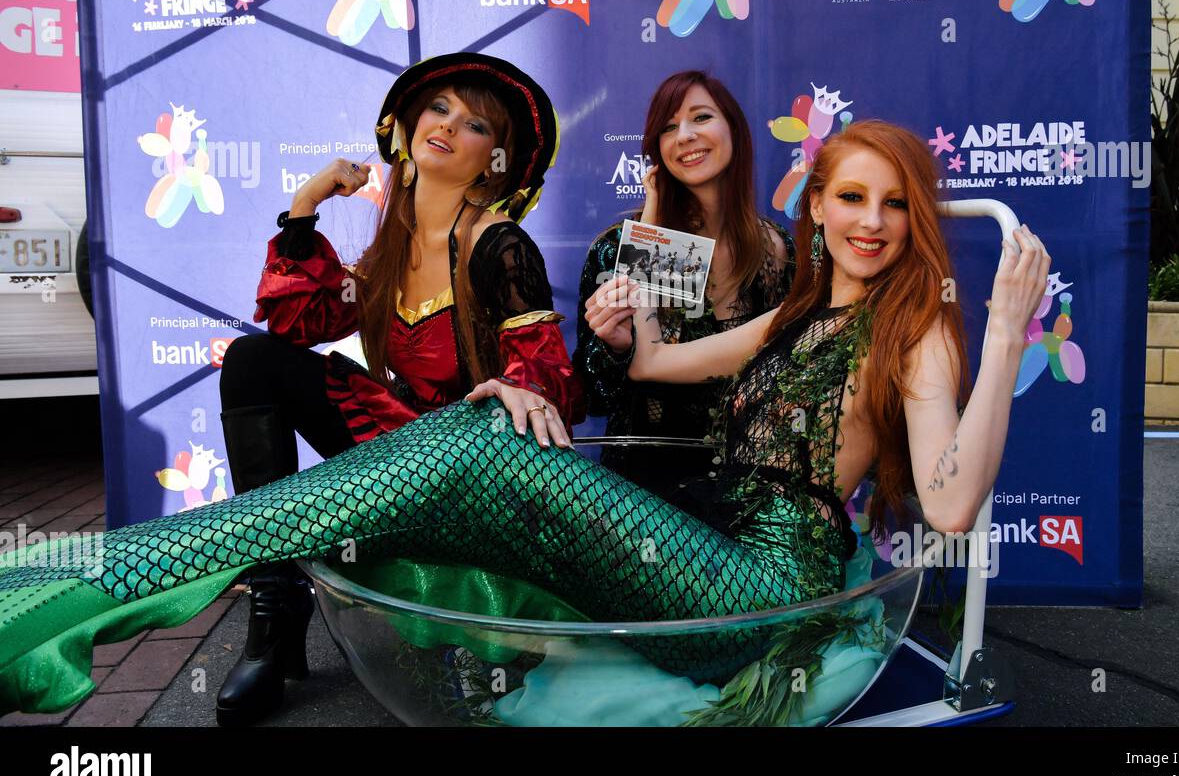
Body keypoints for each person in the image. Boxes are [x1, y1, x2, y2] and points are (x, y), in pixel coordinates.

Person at [0, 120, 1050, 715]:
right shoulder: (792, 312)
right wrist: (614, 317)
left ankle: (115, 575)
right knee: (484, 425)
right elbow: (654, 361)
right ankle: (108, 580)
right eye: (851, 198)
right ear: (813, 205)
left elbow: (952, 507)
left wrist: (1002, 331)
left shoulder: (921, 329)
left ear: (917, 215)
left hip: (766, 599)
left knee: (486, 447)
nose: (873, 222)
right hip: (700, 553)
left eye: (896, 202)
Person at [214, 52, 584, 724]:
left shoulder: (499, 245)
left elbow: (546, 379)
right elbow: (302, 322)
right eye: (437, 108)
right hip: (393, 439)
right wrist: (304, 207)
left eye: (474, 124)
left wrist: (521, 389)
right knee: (251, 360)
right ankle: (275, 607)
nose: (446, 125)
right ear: (408, 125)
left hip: (466, 469)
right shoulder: (393, 243)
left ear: (495, 160)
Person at [577, 71, 794, 497]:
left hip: (749, 488)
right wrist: (617, 346)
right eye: (669, 127)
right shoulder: (623, 247)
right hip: (647, 495)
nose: (685, 136)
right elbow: (596, 396)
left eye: (701, 117)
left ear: (734, 129)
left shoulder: (775, 248)